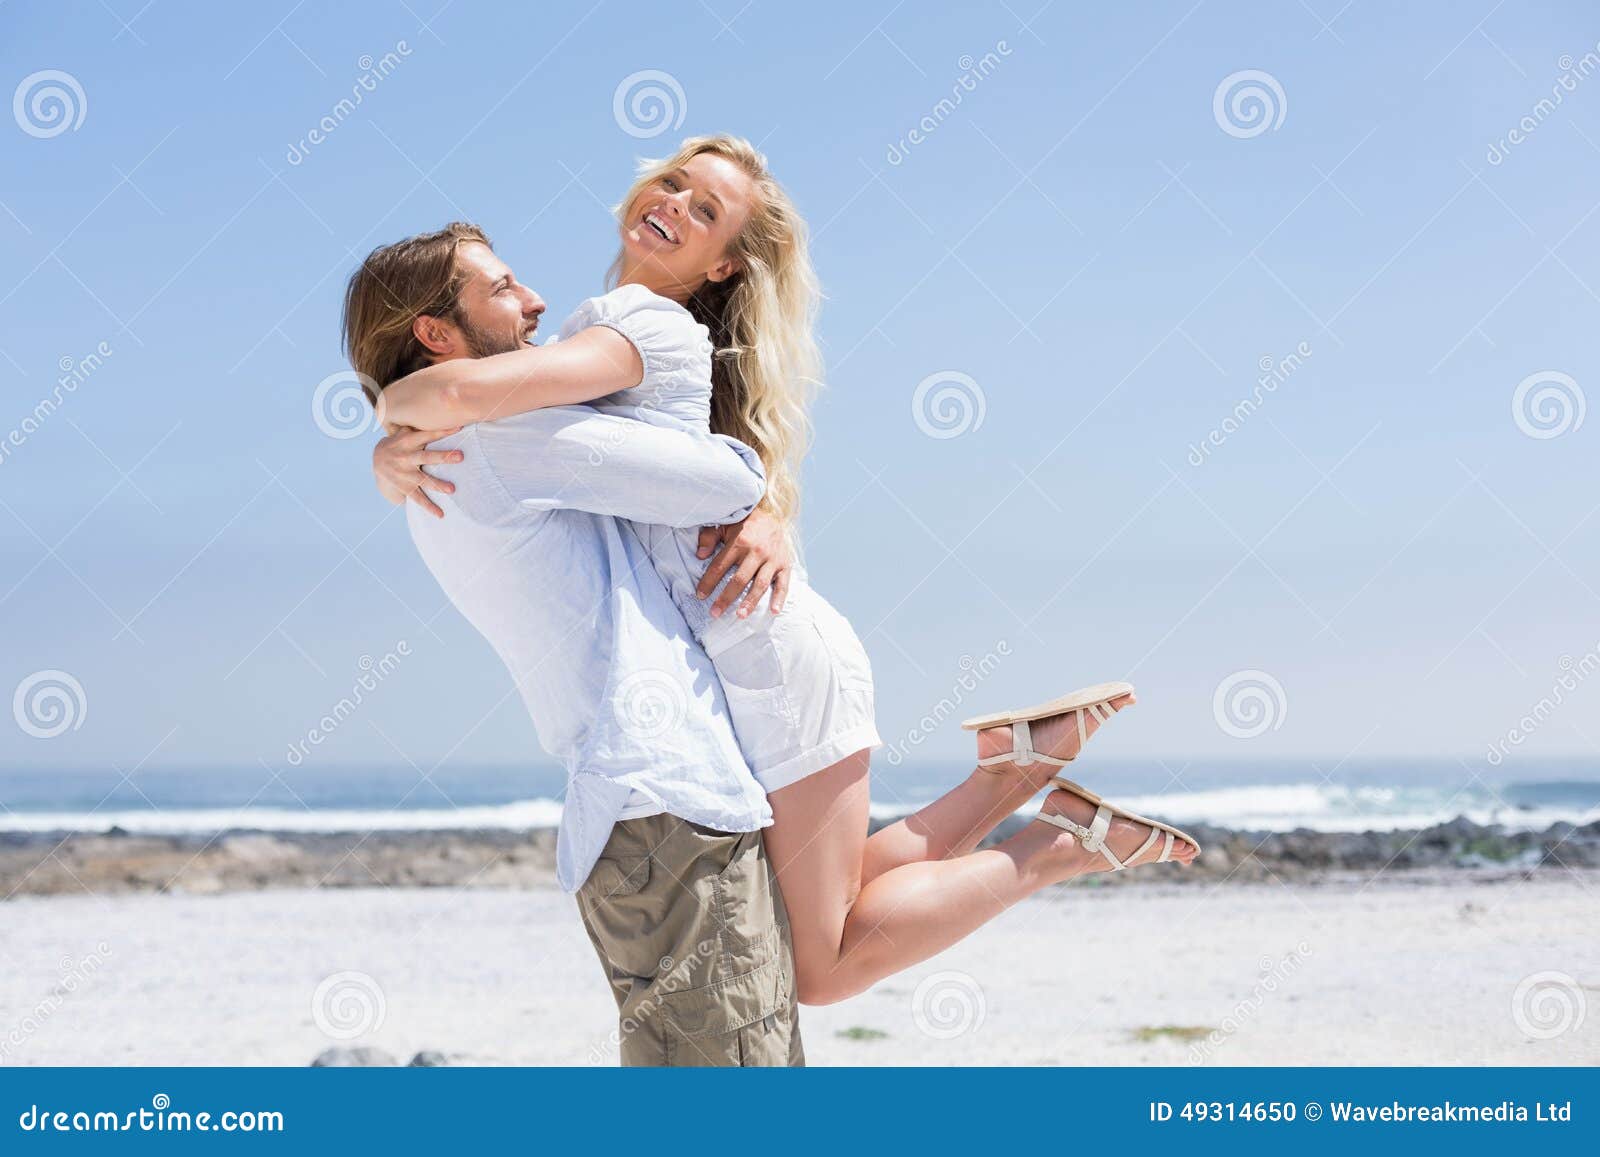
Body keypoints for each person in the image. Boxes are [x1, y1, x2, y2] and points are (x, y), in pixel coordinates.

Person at [371, 137, 1199, 1009]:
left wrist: (389, 416)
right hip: (748, 654)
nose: (675, 204)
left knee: (822, 964)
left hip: (770, 654)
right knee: (817, 921)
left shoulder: (642, 323)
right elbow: (554, 438)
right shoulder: (606, 324)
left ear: (723, 262)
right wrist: (394, 450)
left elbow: (463, 398)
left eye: (705, 212)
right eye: (675, 183)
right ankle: (1018, 772)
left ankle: (1053, 846)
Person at [343, 223, 802, 1067]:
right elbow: (726, 483)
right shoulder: (498, 438)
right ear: (438, 337)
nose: (536, 300)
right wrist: (756, 482)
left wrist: (389, 412)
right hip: (665, 801)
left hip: (637, 815)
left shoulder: (447, 449)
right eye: (503, 287)